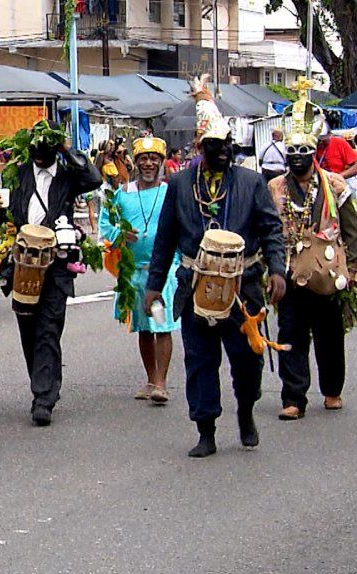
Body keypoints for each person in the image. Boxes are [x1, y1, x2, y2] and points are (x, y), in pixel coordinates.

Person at [143, 87, 287, 458]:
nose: (223, 152)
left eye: (227, 145)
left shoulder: (251, 183)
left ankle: (246, 411)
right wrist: (154, 286)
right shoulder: (178, 185)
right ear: (200, 148)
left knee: (247, 359)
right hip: (195, 288)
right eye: (214, 146)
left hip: (244, 288)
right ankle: (205, 428)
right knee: (200, 362)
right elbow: (165, 238)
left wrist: (277, 270)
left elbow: (272, 229)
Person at [3, 119, 103, 426]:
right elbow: (0, 217)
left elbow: (94, 178)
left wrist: (68, 150)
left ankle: (43, 397)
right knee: (28, 328)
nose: (40, 153)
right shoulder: (17, 175)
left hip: (57, 263)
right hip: (22, 262)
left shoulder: (69, 177)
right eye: (36, 147)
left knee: (49, 327)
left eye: (47, 148)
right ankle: (42, 382)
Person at [268, 125, 357, 420]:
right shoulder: (275, 188)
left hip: (328, 273)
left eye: (303, 153)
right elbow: (267, 229)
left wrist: (354, 269)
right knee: (290, 333)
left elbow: (351, 228)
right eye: (291, 153)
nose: (297, 159)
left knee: (330, 334)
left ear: (314, 154)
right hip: (289, 270)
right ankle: (294, 397)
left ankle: (332, 390)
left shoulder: (334, 185)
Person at [98, 136, 180, 405]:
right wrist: (121, 234)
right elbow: (106, 224)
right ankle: (150, 377)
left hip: (164, 271)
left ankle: (161, 383)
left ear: (161, 162)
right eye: (143, 159)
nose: (148, 163)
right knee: (144, 327)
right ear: (136, 163)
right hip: (134, 270)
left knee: (161, 323)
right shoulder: (123, 194)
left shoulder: (171, 191)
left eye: (153, 159)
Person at [317, 133, 357, 197]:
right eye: (319, 140)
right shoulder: (311, 147)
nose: (321, 142)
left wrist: (338, 177)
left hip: (340, 187)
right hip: (319, 188)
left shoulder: (339, 142)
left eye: (324, 140)